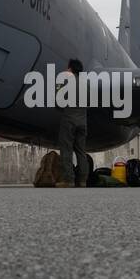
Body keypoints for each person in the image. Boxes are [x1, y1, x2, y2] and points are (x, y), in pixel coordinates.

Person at [55, 58, 89, 188]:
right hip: (82, 121)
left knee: (66, 150)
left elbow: (58, 102)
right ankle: (83, 181)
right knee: (81, 151)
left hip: (69, 120)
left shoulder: (65, 82)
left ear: (70, 69)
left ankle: (68, 180)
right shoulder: (86, 84)